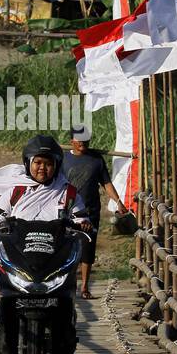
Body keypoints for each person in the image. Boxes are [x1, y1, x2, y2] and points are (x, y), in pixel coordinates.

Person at [61, 123, 124, 298]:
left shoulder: (96, 160)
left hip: (90, 212)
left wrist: (118, 201)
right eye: (79, 140)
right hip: (67, 211)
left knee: (88, 248)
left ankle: (85, 287)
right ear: (72, 141)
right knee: (66, 247)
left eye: (86, 141)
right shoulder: (64, 160)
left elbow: (106, 183)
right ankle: (67, 284)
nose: (83, 144)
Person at [0, 134, 92, 231]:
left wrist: (83, 223)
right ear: (28, 164)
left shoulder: (68, 193)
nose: (42, 167)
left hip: (56, 250)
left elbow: (79, 218)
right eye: (37, 162)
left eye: (48, 164)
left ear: (56, 167)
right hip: (18, 248)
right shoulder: (16, 191)